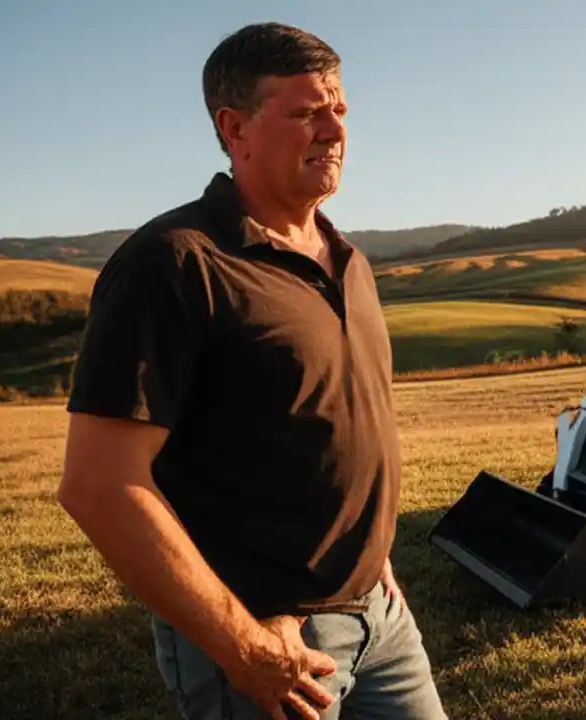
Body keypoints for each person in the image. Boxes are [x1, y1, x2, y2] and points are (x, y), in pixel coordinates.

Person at [56, 22, 447, 720]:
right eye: (306, 112)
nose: (334, 130)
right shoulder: (175, 263)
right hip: (266, 637)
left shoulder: (348, 260)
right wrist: (241, 644)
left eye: (340, 109)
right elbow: (99, 484)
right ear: (234, 128)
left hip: (379, 616)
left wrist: (371, 558)